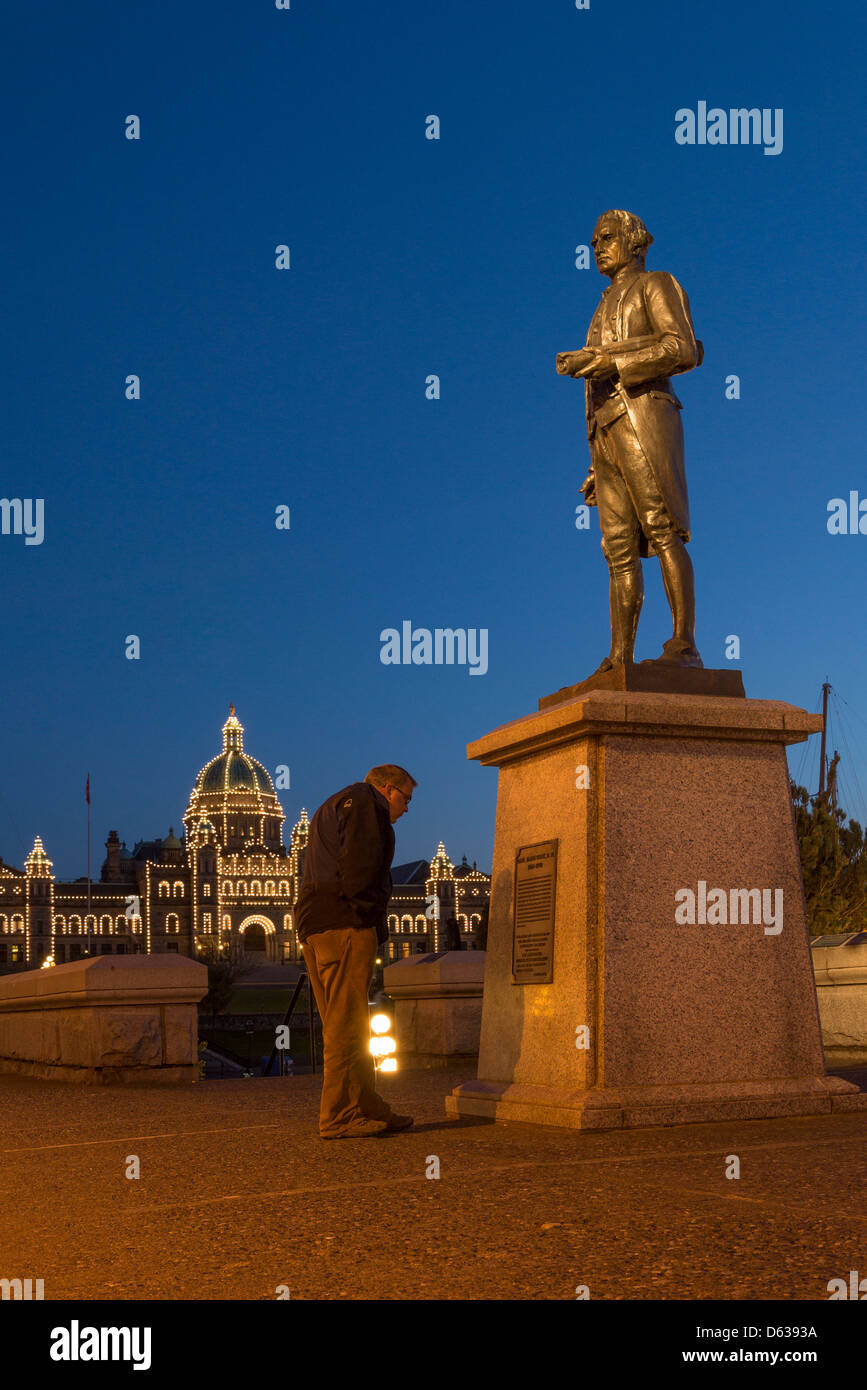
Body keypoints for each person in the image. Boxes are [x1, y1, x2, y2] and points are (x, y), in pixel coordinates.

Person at [556, 208, 703, 671]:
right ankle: (620, 658)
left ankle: (683, 645)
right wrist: (594, 464)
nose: (597, 247)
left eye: (606, 238)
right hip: (606, 434)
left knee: (662, 530)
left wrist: (614, 363)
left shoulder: (656, 284)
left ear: (634, 242)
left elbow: (682, 348)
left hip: (644, 418)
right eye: (594, 241)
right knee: (617, 551)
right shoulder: (601, 306)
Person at [295, 764, 417, 1139]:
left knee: (349, 1022)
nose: (407, 810)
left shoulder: (334, 805)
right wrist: (365, 917)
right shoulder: (367, 805)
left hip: (316, 925)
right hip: (345, 924)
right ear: (387, 789)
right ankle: (339, 1115)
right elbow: (360, 867)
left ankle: (366, 1104)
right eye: (406, 799)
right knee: (346, 1025)